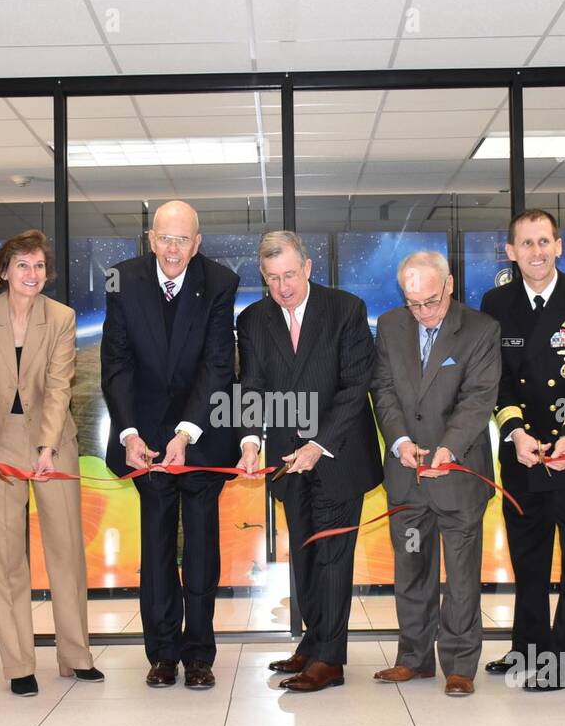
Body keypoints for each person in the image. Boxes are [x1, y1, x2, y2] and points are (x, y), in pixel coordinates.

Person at [0, 230, 101, 696]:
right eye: (22, 266)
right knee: (6, 558)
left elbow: (59, 387)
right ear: (4, 272)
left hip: (52, 445)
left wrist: (47, 447)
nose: (32, 274)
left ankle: (75, 655)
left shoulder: (61, 317)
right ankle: (18, 664)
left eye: (38, 266)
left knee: (66, 552)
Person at [100, 201, 238, 689]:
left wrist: (187, 432)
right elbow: (116, 363)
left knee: (200, 548)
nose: (174, 248)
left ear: (197, 243)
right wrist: (130, 433)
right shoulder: (121, 279)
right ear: (151, 239)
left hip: (199, 437)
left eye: (184, 239)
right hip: (146, 442)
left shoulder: (220, 282)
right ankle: (161, 654)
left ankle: (199, 654)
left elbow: (219, 365)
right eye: (166, 238)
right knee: (156, 549)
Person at [236, 231, 382, 692]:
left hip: (338, 455)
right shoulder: (254, 320)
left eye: (291, 275)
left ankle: (331, 662)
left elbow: (356, 385)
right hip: (285, 459)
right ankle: (315, 641)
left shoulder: (346, 309)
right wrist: (250, 442)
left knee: (334, 557)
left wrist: (318, 443)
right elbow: (253, 386)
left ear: (309, 268)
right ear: (264, 277)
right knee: (304, 556)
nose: (283, 287)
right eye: (273, 278)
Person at [480, 209, 565, 691]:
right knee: (528, 554)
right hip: (522, 451)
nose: (537, 252)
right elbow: (493, 378)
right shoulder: (495, 303)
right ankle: (529, 648)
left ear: (559, 246)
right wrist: (514, 432)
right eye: (527, 244)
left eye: (545, 242)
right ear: (511, 252)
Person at [369, 251, 501, 696]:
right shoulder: (390, 326)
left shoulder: (481, 330)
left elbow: (479, 398)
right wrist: (401, 442)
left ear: (448, 286)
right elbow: (383, 389)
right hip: (407, 475)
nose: (423, 312)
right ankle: (414, 658)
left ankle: (460, 665)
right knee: (411, 567)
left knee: (461, 575)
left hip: (458, 474)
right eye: (414, 304)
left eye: (430, 302)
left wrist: (447, 448)